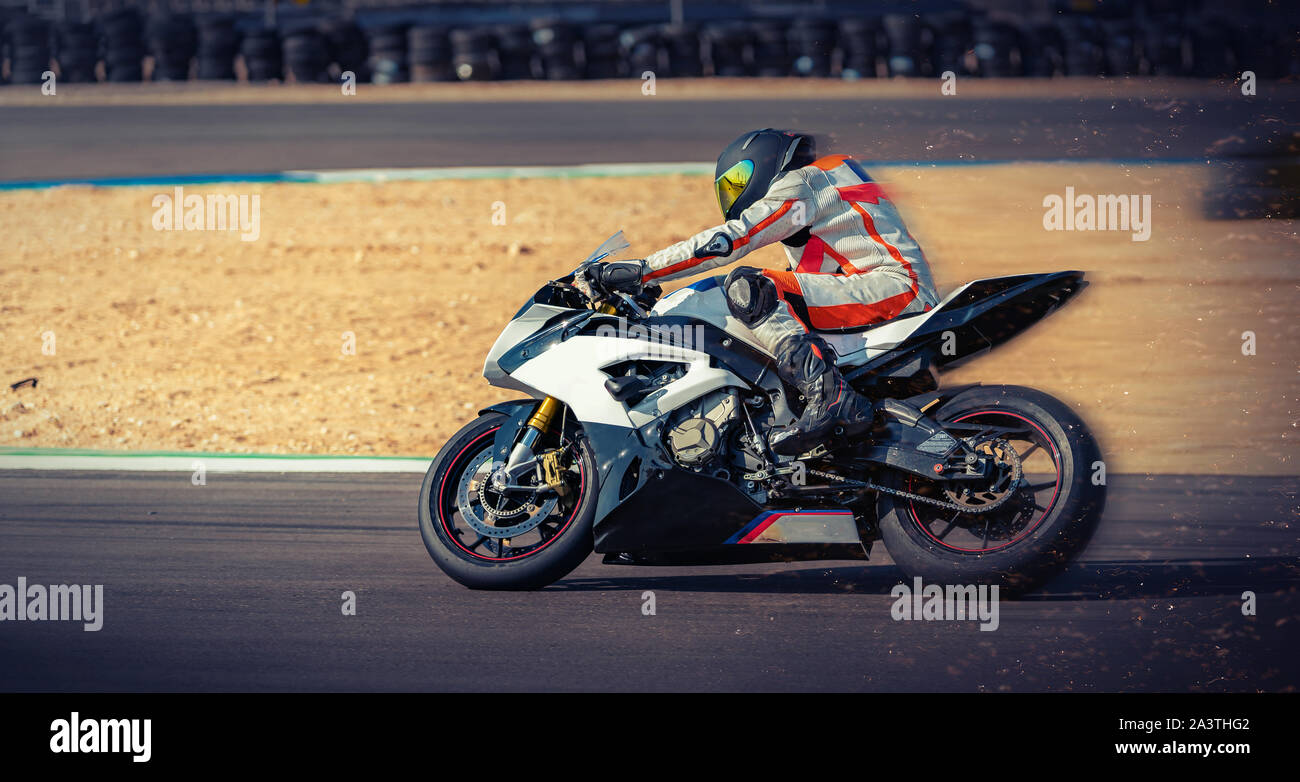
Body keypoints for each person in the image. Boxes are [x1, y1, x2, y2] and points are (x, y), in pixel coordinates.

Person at [589, 128, 939, 456]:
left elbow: (732, 240)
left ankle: (830, 395)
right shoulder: (827, 190)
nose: (733, 194)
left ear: (765, 161)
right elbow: (817, 276)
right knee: (763, 310)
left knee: (750, 287)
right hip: (872, 288)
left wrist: (642, 270)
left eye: (736, 181)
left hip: (894, 288)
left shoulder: (805, 180)